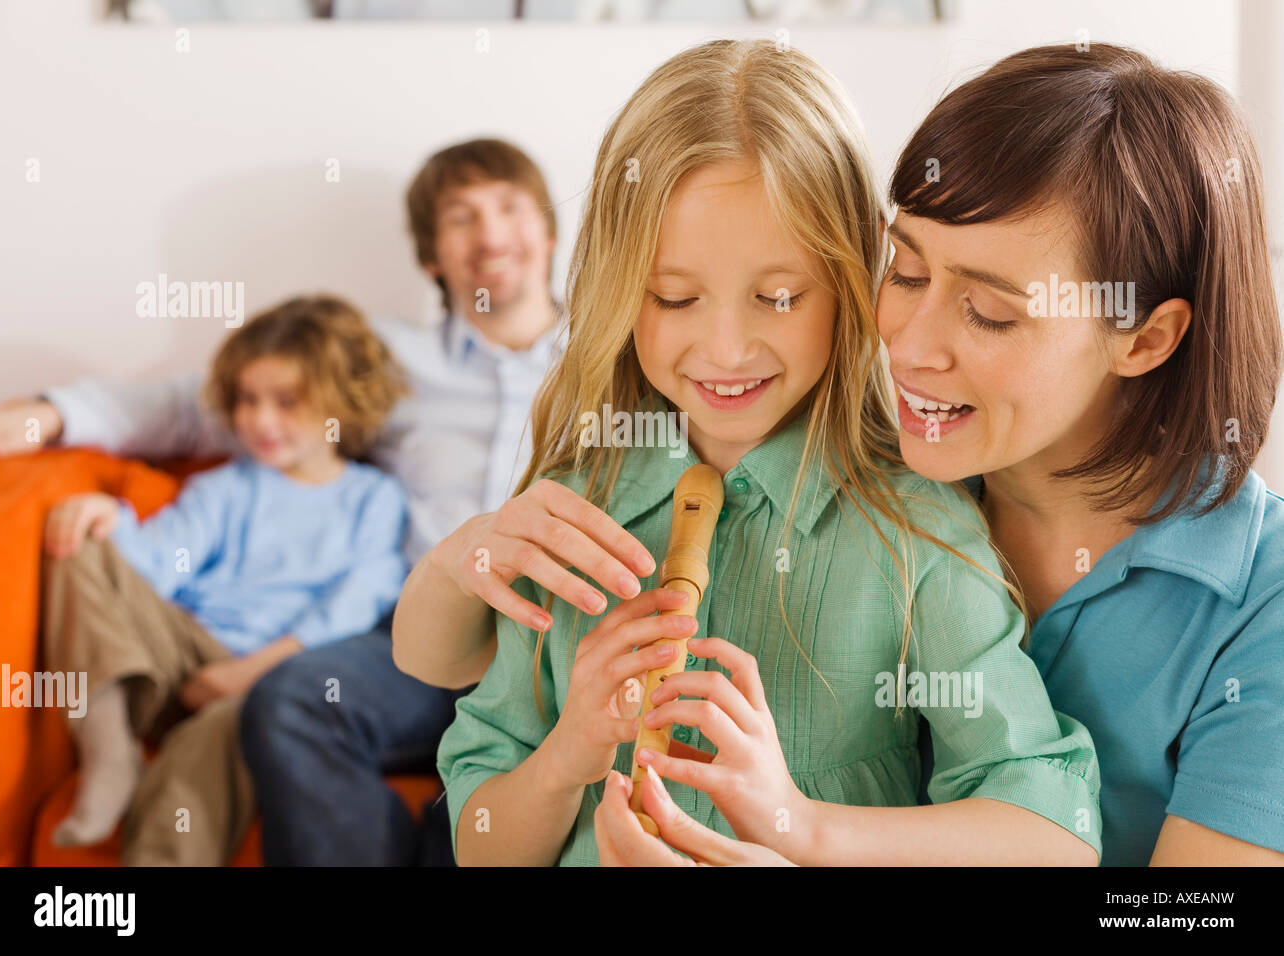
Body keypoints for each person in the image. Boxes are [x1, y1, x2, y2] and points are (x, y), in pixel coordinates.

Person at [407, 38, 1102, 866]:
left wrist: (792, 825)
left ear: (850, 283)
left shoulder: (916, 530)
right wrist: (566, 757)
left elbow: (1056, 835)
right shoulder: (574, 514)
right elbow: (482, 841)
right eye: (675, 296)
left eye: (778, 296)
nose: (727, 348)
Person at [0, 138, 564, 866]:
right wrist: (58, 411)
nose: (489, 233)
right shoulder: (386, 362)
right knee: (292, 700)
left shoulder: (614, 361)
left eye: (509, 208)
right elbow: (202, 407)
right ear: (430, 258)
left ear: (548, 231)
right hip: (411, 639)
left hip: (552, 647)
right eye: (460, 217)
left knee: (506, 795)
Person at [873, 43, 1284, 865]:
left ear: (1145, 338)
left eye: (989, 312)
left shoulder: (1260, 601)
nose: (910, 346)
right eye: (907, 271)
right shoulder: (864, 492)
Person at [41, 295, 409, 865]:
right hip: (178, 654)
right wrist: (111, 523)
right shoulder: (227, 488)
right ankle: (108, 742)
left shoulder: (373, 499)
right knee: (78, 545)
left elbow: (358, 602)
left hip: (274, 673)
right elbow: (161, 562)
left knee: (218, 739)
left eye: (287, 402)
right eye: (247, 399)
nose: (259, 420)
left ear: (342, 403)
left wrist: (246, 675)